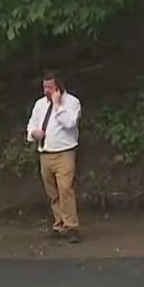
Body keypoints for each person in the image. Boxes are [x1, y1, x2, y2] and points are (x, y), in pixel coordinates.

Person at [26, 70, 82, 242]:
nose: (46, 91)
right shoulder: (40, 104)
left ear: (58, 88)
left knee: (65, 188)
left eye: (50, 87)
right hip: (45, 153)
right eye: (44, 87)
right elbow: (31, 124)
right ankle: (59, 224)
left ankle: (71, 226)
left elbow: (70, 123)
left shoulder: (72, 103)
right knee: (53, 192)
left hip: (64, 152)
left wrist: (58, 106)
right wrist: (33, 133)